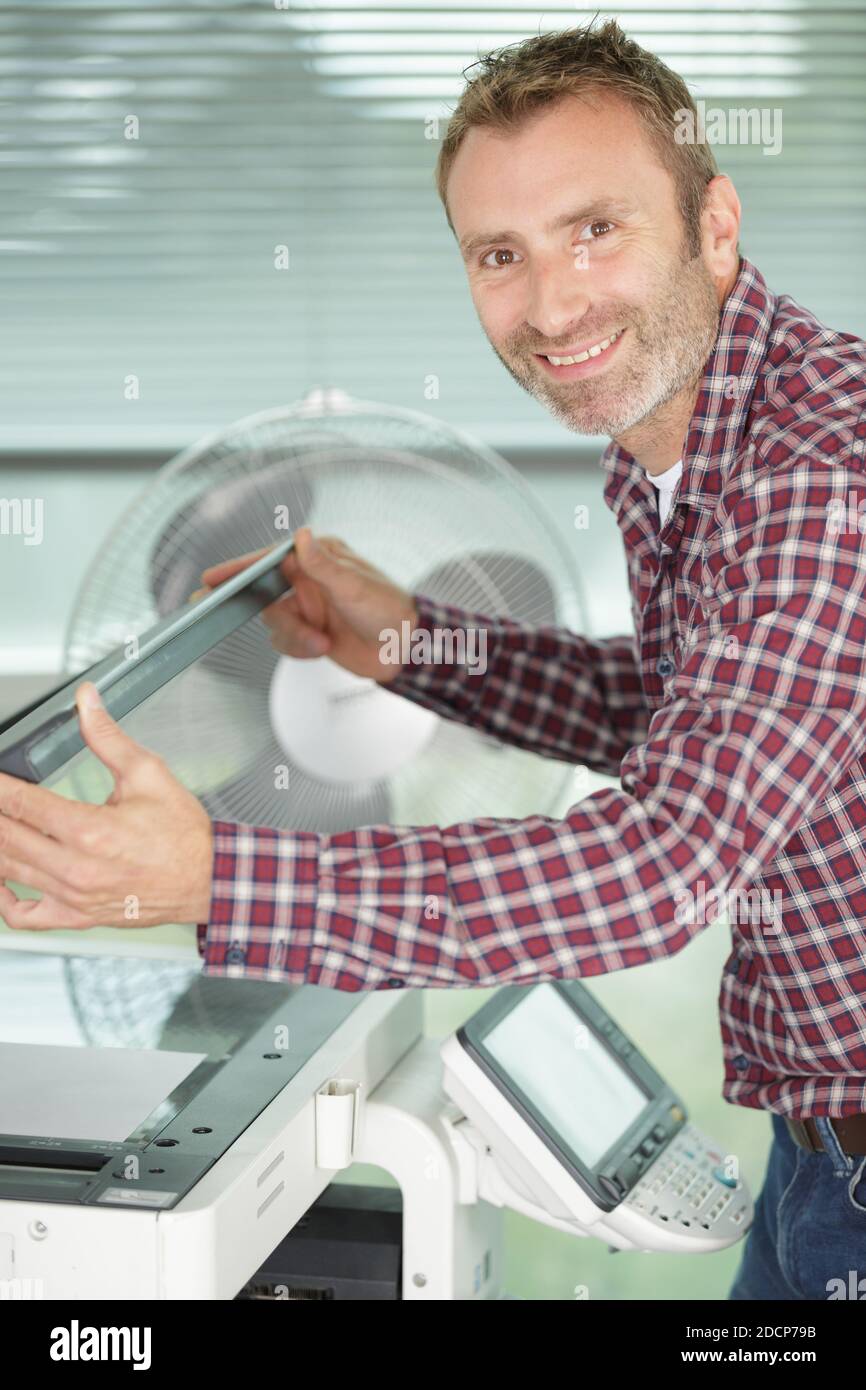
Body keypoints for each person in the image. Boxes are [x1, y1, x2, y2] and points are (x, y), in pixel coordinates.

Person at [2, 19, 866, 1300]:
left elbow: (668, 860)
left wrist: (213, 874)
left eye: (596, 230)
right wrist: (415, 644)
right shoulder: (665, 440)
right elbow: (700, 714)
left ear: (714, 221)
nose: (552, 306)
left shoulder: (818, 470)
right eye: (498, 255)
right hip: (816, 1153)